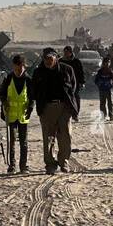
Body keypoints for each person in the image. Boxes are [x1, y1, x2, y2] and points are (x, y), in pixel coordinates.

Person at [31, 47, 78, 175]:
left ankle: (63, 162)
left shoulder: (67, 70)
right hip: (46, 108)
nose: (47, 61)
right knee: (48, 137)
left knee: (65, 136)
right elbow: (33, 91)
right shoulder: (38, 72)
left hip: (64, 107)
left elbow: (73, 88)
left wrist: (72, 108)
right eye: (45, 59)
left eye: (50, 58)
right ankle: (50, 164)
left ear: (56, 58)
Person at [0, 54, 33, 173]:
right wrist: (4, 103)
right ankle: (12, 165)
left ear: (24, 66)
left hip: (23, 116)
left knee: (23, 142)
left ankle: (23, 166)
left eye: (21, 68)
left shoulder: (28, 79)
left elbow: (32, 96)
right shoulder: (8, 78)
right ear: (13, 66)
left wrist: (30, 108)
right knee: (11, 142)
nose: (18, 71)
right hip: (10, 115)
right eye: (16, 68)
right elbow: (1, 93)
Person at [61, 45, 86, 121]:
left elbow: (81, 72)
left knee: (75, 98)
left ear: (71, 52)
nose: (66, 54)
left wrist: (82, 82)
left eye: (67, 52)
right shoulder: (61, 61)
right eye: (64, 52)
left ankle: (75, 114)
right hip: (64, 83)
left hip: (75, 83)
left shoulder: (76, 61)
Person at [95, 57, 113, 121]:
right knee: (102, 103)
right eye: (106, 63)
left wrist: (112, 73)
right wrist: (100, 84)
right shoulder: (100, 71)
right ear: (103, 63)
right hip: (102, 89)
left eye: (108, 63)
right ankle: (103, 115)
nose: (107, 64)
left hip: (109, 89)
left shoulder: (110, 71)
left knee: (110, 103)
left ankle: (111, 115)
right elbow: (96, 80)